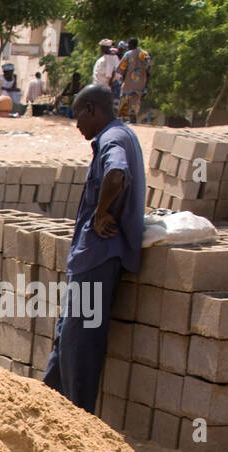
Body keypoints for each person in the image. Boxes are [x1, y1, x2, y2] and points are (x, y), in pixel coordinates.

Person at [43, 84, 144, 414]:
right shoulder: (122, 135)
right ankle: (48, 408)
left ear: (91, 110)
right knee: (65, 339)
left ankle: (78, 421)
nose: (75, 124)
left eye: (75, 114)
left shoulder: (112, 140)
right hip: (92, 259)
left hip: (98, 256)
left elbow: (116, 174)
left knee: (79, 344)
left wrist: (101, 214)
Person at [115, 38, 151, 123]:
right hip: (141, 81)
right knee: (136, 99)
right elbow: (149, 66)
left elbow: (121, 68)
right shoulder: (144, 53)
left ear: (130, 45)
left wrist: (122, 77)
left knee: (125, 96)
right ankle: (133, 118)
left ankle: (123, 118)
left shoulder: (128, 54)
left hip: (129, 80)